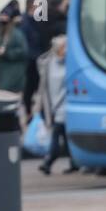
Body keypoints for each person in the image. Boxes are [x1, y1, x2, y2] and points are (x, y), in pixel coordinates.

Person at [36, 35, 74, 174]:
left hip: (64, 106)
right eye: (64, 47)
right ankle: (74, 163)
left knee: (57, 134)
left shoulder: (71, 63)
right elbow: (40, 63)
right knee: (65, 136)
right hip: (53, 105)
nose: (66, 50)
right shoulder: (49, 63)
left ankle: (48, 162)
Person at [0, 0, 28, 132]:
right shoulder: (0, 33)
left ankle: (12, 129)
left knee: (10, 107)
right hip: (2, 75)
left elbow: (23, 52)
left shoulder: (17, 34)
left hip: (13, 76)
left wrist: (6, 52)